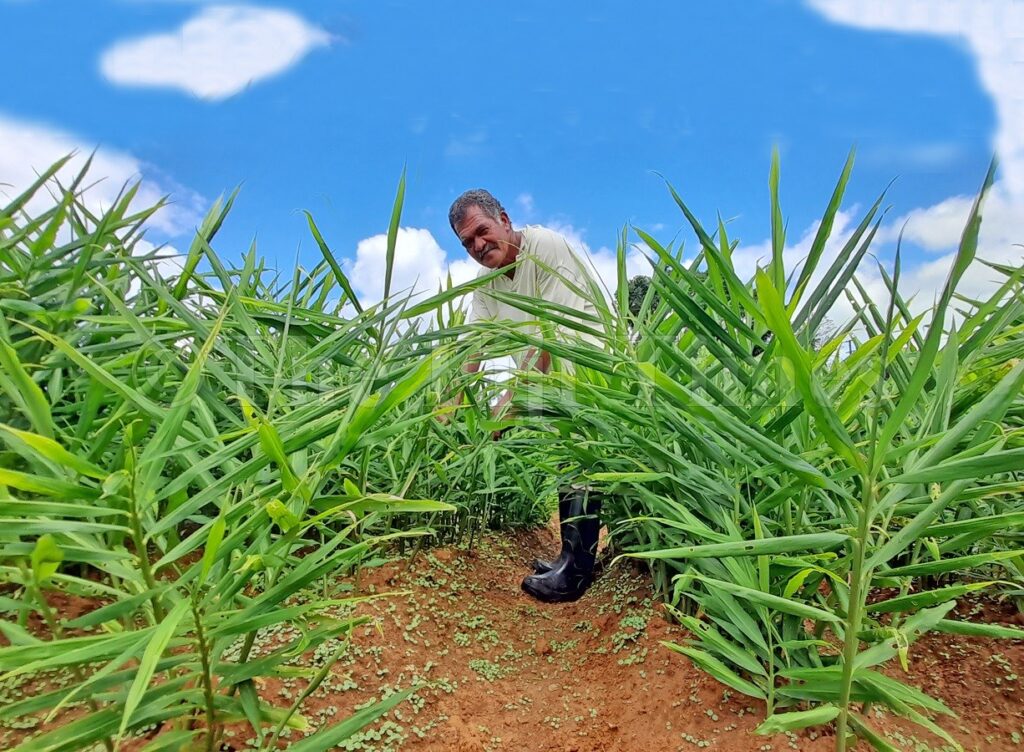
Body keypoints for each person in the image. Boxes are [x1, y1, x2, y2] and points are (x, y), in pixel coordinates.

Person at [447, 188, 604, 604]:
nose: (479, 246)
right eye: (467, 243)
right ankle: (569, 556)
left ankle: (577, 572)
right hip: (546, 382)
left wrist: (507, 404)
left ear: (504, 219)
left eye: (482, 232)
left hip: (588, 369)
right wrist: (448, 409)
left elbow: (552, 333)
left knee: (580, 457)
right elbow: (472, 348)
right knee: (564, 457)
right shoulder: (487, 283)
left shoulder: (545, 247)